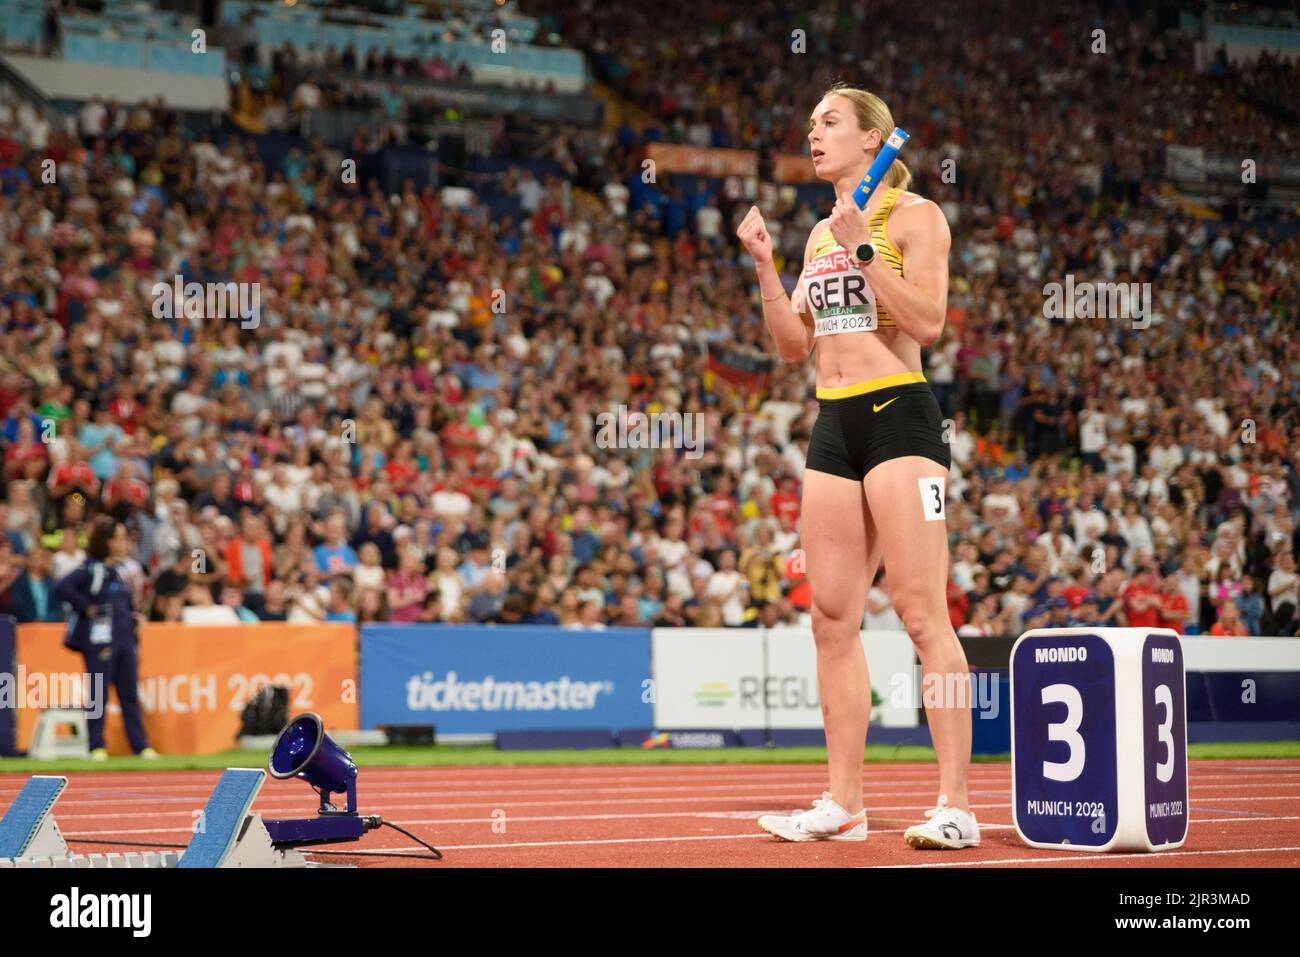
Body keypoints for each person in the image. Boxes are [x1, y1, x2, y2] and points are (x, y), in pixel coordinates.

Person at [739, 84, 976, 849]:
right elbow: (791, 346)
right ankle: (844, 804)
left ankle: (955, 805)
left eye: (829, 122)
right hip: (833, 421)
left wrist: (864, 247)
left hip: (900, 415)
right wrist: (767, 267)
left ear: (873, 138)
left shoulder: (916, 217)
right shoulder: (815, 235)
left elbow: (930, 322)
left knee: (918, 610)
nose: (813, 133)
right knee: (831, 618)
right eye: (810, 123)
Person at [54, 515, 157, 760]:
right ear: (106, 541)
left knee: (129, 694)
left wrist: (135, 619)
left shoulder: (122, 570)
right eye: (118, 538)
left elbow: (127, 602)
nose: (124, 542)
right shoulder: (91, 568)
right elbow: (62, 587)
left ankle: (140, 746)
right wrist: (86, 606)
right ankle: (96, 745)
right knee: (98, 693)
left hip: (124, 638)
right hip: (99, 639)